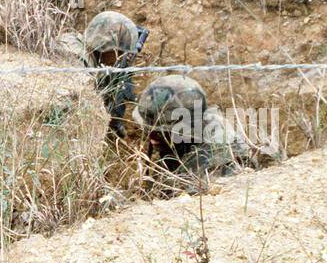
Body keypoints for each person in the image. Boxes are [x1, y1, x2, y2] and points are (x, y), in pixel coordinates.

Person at [136, 75, 255, 180]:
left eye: (159, 133)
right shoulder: (185, 139)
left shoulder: (216, 161)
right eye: (149, 131)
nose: (151, 137)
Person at [81, 10, 148, 140]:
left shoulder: (90, 55)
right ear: (106, 46)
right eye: (120, 51)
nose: (121, 57)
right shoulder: (81, 60)